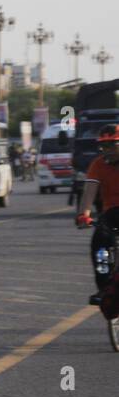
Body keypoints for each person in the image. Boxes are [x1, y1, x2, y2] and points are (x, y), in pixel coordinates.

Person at [75, 124, 119, 304]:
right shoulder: (98, 164)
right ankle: (104, 289)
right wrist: (83, 214)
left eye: (113, 144)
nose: (107, 150)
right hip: (112, 212)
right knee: (99, 244)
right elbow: (90, 191)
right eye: (104, 145)